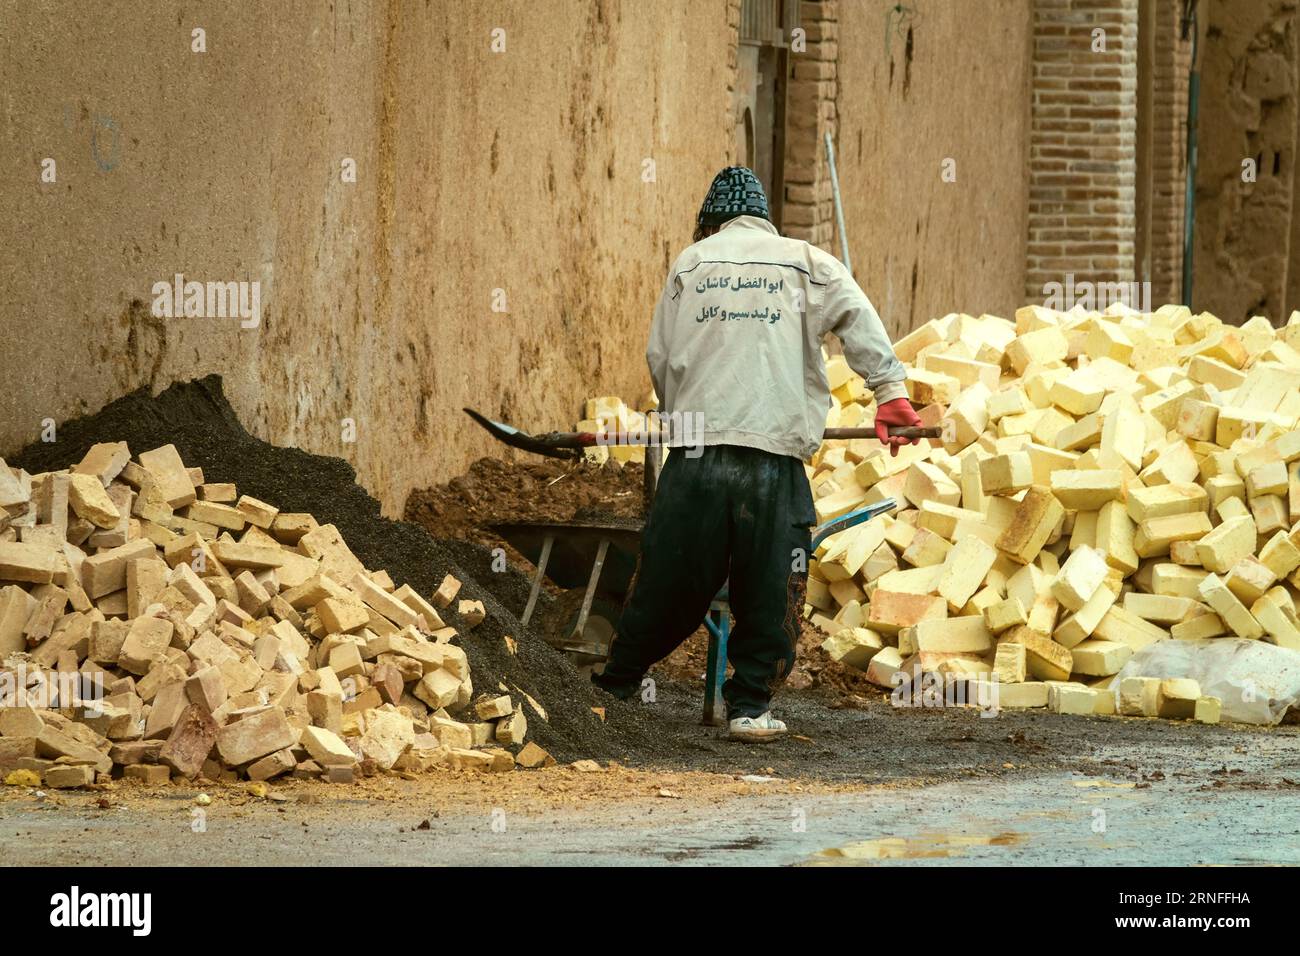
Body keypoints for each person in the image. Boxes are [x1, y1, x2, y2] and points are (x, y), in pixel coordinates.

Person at [592, 166, 921, 742]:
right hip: (773, 460)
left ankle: (615, 689)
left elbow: (660, 356)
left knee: (668, 580)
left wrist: (684, 416)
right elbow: (857, 318)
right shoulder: (805, 261)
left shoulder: (690, 264)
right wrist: (889, 394)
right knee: (772, 588)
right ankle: (747, 708)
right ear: (764, 219)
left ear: (709, 222)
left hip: (696, 457)